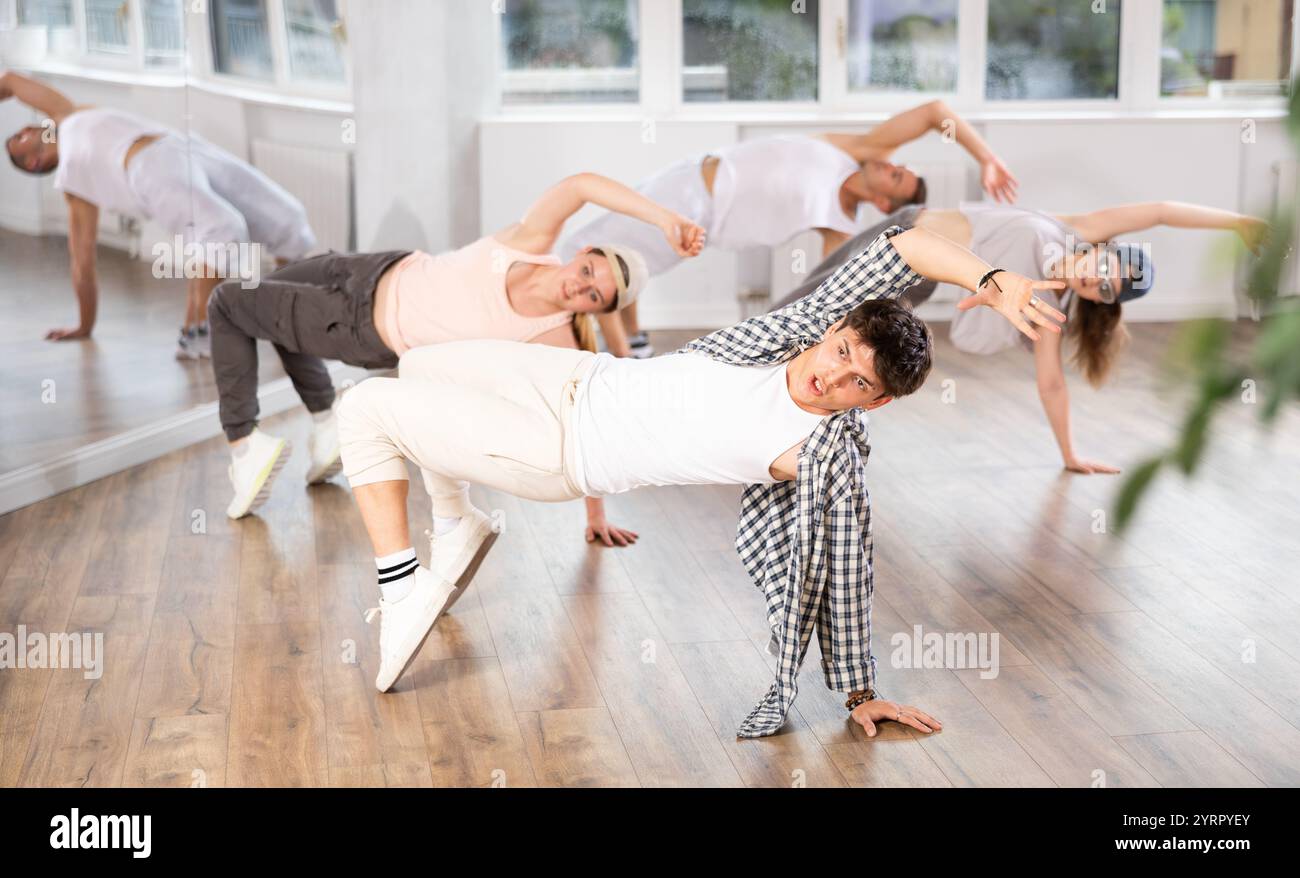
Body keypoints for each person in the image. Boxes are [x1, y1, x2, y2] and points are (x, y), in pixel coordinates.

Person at [334, 224, 1066, 737]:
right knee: (421, 364)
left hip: (558, 448)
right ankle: (457, 523)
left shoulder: (821, 455)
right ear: (834, 328)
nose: (830, 373)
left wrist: (861, 691)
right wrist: (991, 278)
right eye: (840, 349)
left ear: (873, 402)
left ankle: (402, 590)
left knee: (363, 407)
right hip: (575, 376)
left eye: (854, 382)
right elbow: (902, 247)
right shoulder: (795, 333)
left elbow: (846, 569)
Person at [210, 171, 705, 545]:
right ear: (586, 252)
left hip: (362, 329)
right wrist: (666, 219)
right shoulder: (532, 243)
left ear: (595, 310)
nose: (581, 285)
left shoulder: (551, 339)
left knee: (230, 303)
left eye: (594, 296)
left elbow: (581, 421)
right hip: (373, 266)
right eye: (590, 270)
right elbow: (581, 185)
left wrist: (595, 517)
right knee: (265, 298)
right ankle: (324, 425)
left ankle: (243, 444)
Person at [773, 200, 1271, 474]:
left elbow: (1051, 383)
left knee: (850, 350)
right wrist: (1238, 223)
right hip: (911, 236)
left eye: (1103, 290)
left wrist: (1070, 456)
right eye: (1103, 269)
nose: (1093, 282)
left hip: (927, 278)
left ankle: (785, 428)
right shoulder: (1075, 223)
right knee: (802, 310)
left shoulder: (1044, 305)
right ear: (1101, 249)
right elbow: (1161, 210)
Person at [559, 99, 1019, 358]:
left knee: (626, 266)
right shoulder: (852, 148)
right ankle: (626, 354)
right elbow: (933, 112)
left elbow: (834, 290)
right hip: (690, 184)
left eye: (894, 176)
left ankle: (627, 354)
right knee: (597, 252)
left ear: (883, 201)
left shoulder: (839, 227)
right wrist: (988, 159)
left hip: (703, 221)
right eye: (897, 166)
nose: (889, 164)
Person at [1, 70, 316, 358]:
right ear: (32, 163)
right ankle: (196, 336)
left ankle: (288, 315)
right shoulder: (74, 187)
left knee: (285, 216)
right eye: (19, 137)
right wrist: (84, 326)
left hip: (182, 147)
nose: (27, 128)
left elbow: (12, 82)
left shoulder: (65, 114)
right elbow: (82, 264)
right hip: (147, 168)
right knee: (222, 230)